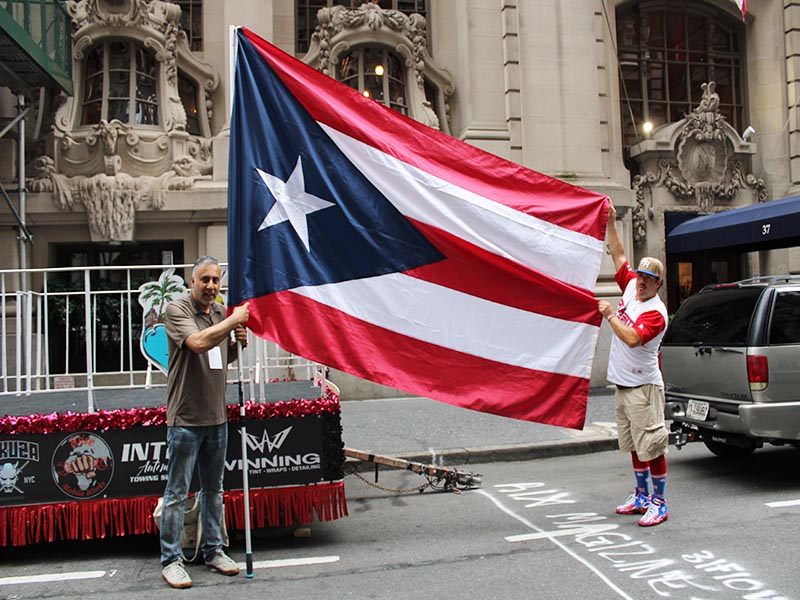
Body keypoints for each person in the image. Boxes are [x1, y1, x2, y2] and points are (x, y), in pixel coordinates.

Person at [159, 256, 250, 588]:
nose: (212, 286)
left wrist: (238, 342)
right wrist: (231, 322)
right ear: (192, 281)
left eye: (216, 280)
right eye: (205, 280)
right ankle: (171, 560)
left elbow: (220, 356)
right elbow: (197, 343)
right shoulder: (177, 309)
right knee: (177, 492)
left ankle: (213, 549)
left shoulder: (218, 314)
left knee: (214, 491)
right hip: (185, 418)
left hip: (216, 416)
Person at [597, 203, 670, 527]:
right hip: (624, 385)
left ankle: (659, 501)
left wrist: (611, 314)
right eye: (640, 275)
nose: (641, 281)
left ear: (658, 284)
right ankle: (641, 495)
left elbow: (632, 338)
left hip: (644, 388)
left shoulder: (655, 312)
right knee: (634, 445)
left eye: (648, 279)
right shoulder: (629, 286)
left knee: (651, 445)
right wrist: (612, 221)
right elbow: (618, 254)